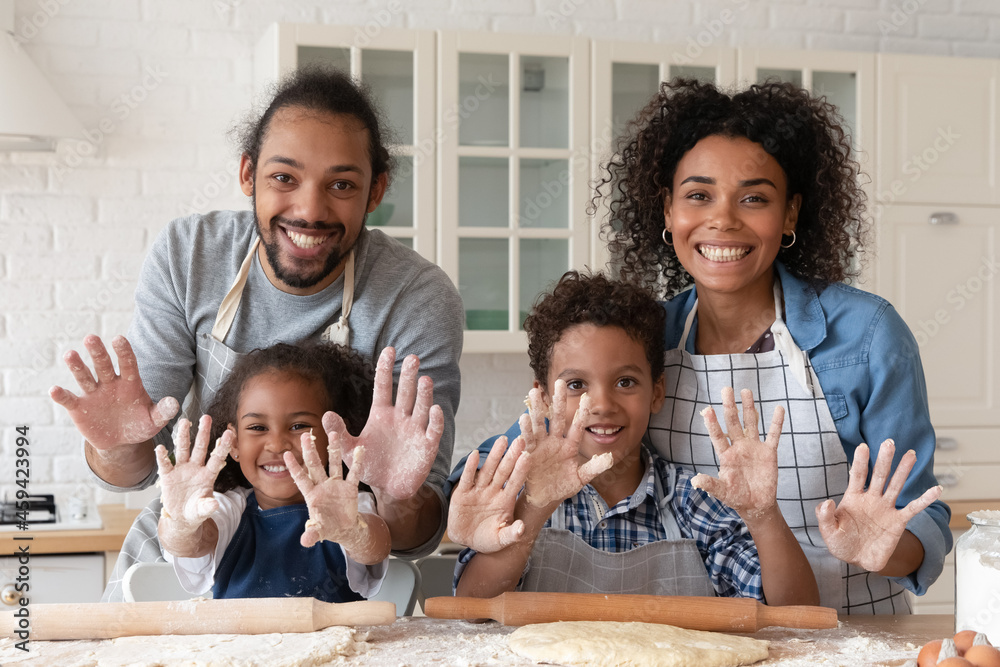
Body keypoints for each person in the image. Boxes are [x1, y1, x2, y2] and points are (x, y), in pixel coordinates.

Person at [454, 79, 948, 614]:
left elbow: (920, 517)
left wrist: (882, 548)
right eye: (698, 195)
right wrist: (472, 502)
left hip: (855, 635)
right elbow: (511, 459)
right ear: (668, 211)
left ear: (789, 214)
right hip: (728, 636)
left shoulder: (866, 334)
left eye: (754, 198)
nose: (723, 219)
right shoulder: (646, 340)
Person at [49, 66, 464, 599]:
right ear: (248, 174)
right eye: (284, 178)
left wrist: (391, 496)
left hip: (344, 568)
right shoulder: (189, 256)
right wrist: (116, 446)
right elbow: (140, 469)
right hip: (189, 548)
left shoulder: (417, 296)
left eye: (341, 185)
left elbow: (416, 530)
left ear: (376, 190)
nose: (309, 211)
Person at [450, 271, 819, 605]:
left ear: (656, 392)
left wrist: (764, 516)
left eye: (625, 382)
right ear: (543, 400)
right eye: (577, 385)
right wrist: (533, 510)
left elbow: (794, 613)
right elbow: (472, 606)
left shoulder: (691, 502)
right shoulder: (519, 494)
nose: (603, 405)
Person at [158, 342, 389, 601]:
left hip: (338, 643)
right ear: (233, 443)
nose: (277, 444)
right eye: (257, 427)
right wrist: (180, 525)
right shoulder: (228, 511)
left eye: (299, 425)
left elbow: (377, 548)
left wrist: (351, 533)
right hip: (238, 643)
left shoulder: (349, 507)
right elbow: (192, 544)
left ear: (335, 437)